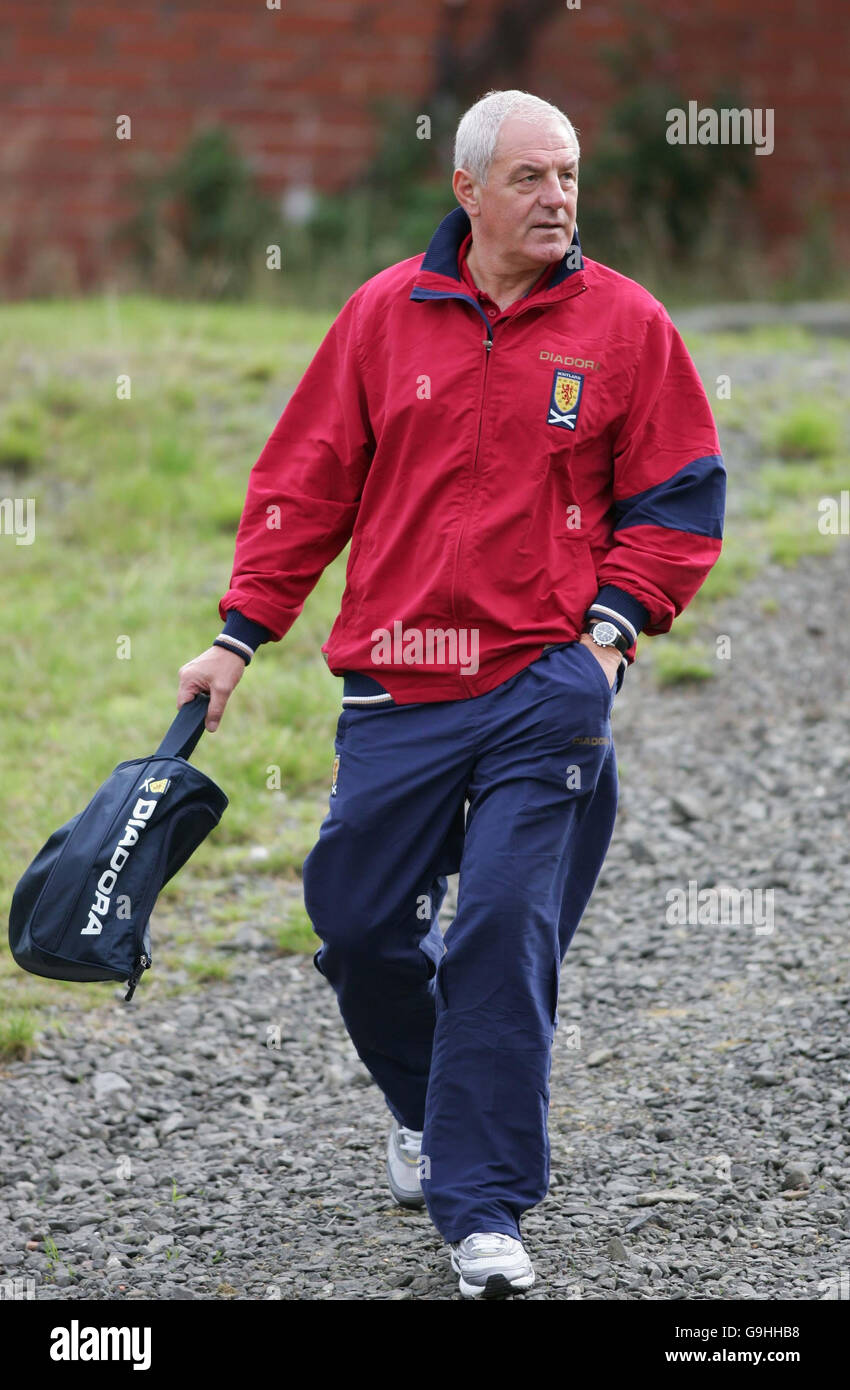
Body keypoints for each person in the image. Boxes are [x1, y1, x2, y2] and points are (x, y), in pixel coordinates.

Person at [177, 89, 726, 1299]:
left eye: (569, 176)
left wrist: (610, 632)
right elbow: (301, 487)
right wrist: (237, 637)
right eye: (530, 178)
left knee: (498, 932)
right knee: (360, 925)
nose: (558, 200)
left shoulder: (625, 324)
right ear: (466, 190)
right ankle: (429, 1102)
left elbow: (681, 497)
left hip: (545, 682)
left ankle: (484, 1213)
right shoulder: (382, 316)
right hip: (397, 680)